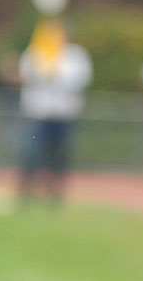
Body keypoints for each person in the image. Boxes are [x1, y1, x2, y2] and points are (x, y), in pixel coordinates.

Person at [14, 18, 90, 206]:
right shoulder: (35, 53)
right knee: (32, 153)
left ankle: (55, 192)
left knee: (59, 156)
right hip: (38, 114)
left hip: (63, 115)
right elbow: (23, 76)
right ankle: (26, 190)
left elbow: (79, 80)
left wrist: (55, 74)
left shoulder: (76, 56)